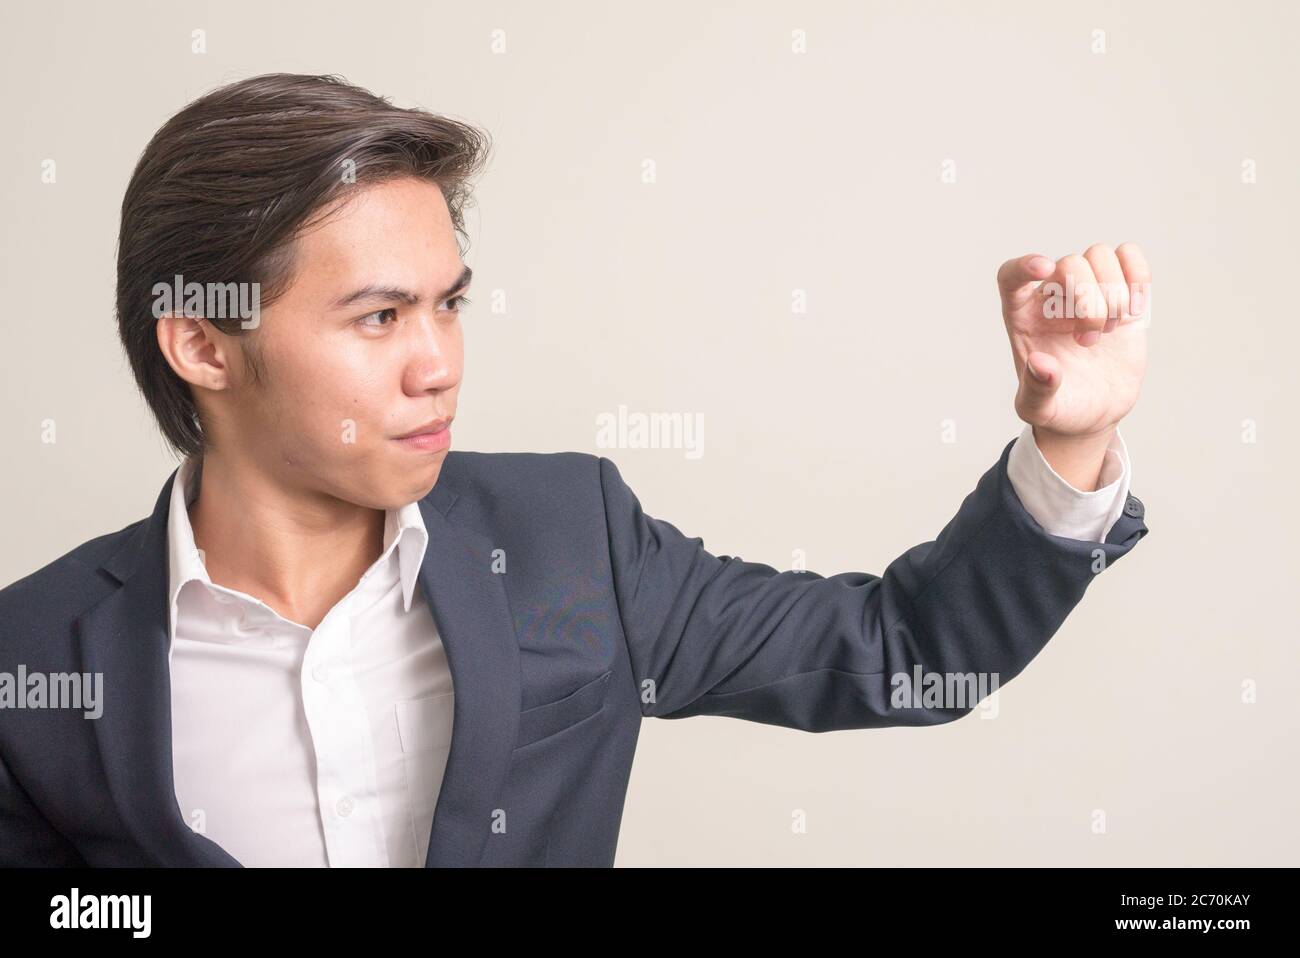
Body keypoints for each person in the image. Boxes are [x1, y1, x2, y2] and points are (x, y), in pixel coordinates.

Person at [0, 73, 1150, 867]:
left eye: (447, 305)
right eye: (378, 316)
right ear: (202, 339)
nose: (437, 364)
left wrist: (1068, 442)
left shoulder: (569, 537)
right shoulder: (34, 656)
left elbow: (904, 652)